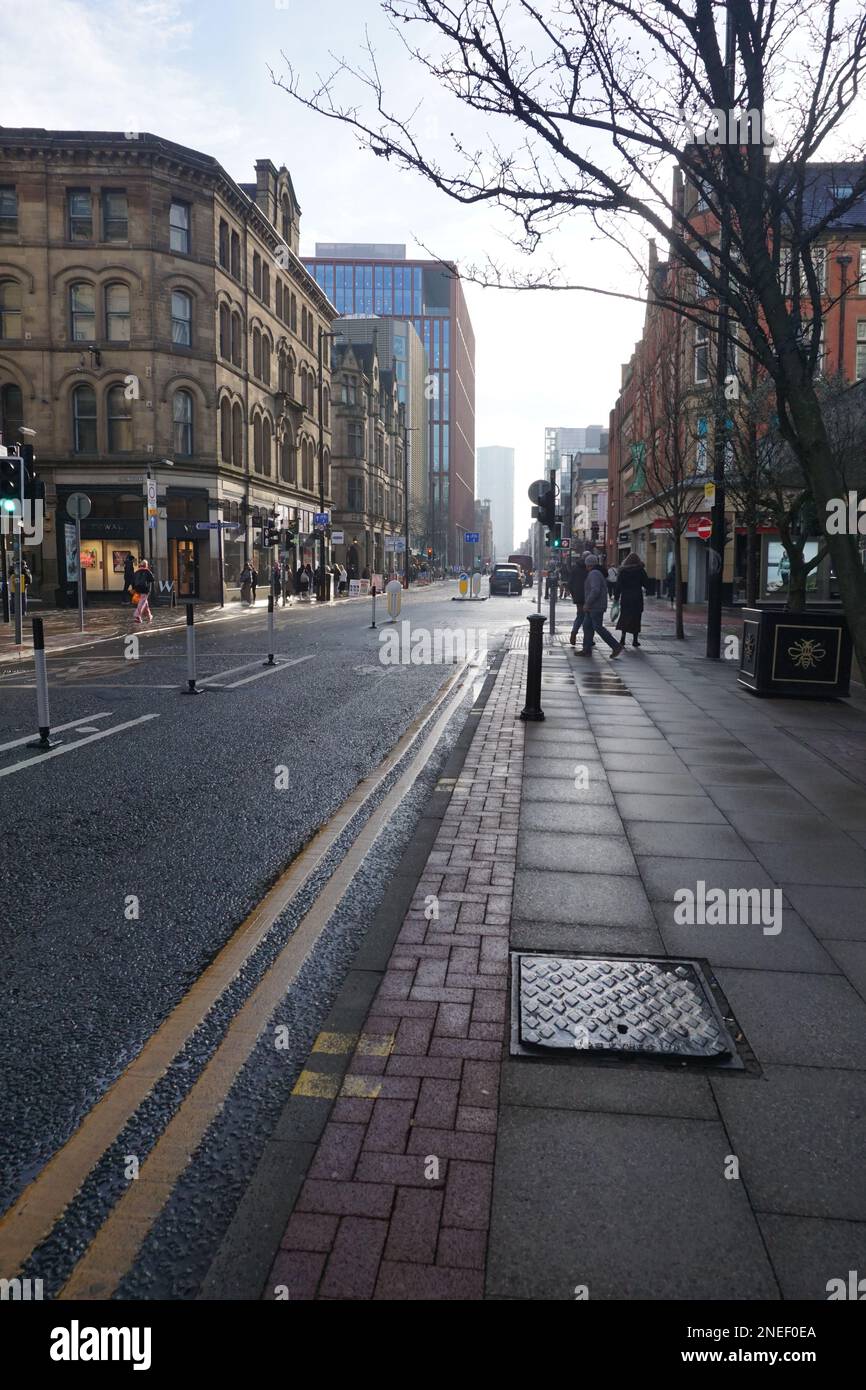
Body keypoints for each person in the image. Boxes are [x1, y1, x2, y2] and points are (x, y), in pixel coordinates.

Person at [576, 552, 623, 658]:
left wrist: (587, 603)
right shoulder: (597, 572)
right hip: (594, 606)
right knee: (587, 626)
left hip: (595, 606)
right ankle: (586, 649)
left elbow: (595, 590)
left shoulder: (594, 574)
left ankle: (616, 646)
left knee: (598, 627)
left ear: (589, 564)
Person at [613, 551, 649, 648]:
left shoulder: (623, 571)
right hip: (637, 597)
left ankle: (623, 638)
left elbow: (618, 586)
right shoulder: (640, 570)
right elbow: (646, 583)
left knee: (625, 617)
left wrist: (616, 597)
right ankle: (635, 640)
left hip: (626, 598)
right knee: (636, 618)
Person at [568, 552, 588, 647]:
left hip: (578, 597)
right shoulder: (589, 569)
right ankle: (588, 638)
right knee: (587, 617)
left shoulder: (575, 568)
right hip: (588, 596)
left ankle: (574, 632)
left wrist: (574, 595)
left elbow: (570, 583)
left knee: (580, 615)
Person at [131, 559, 155, 623]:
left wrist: (134, 588)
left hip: (137, 589)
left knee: (145, 602)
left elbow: (133, 581)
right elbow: (152, 579)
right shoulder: (147, 571)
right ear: (146, 565)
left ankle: (149, 616)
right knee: (142, 602)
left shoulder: (136, 572)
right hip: (145, 589)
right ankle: (137, 616)